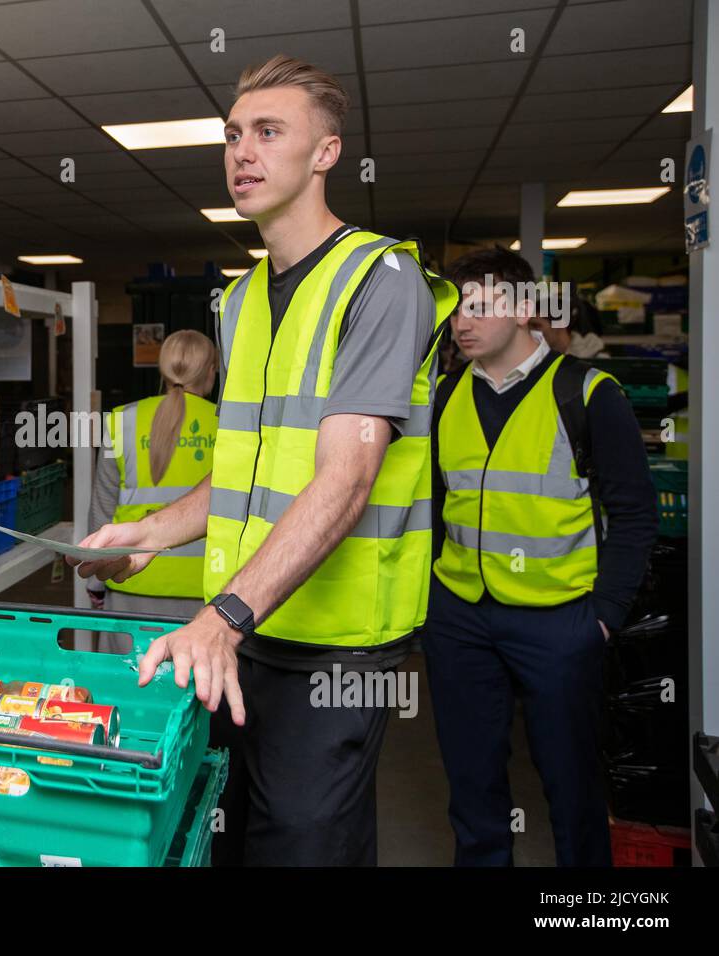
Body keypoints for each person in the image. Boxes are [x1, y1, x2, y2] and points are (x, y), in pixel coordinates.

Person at [67, 54, 458, 866]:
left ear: (325, 154)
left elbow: (346, 479)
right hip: (247, 633)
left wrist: (224, 615)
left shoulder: (379, 280)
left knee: (304, 848)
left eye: (269, 133)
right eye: (233, 135)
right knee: (228, 836)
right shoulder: (241, 299)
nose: (243, 152)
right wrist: (150, 532)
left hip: (333, 645)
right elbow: (243, 474)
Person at [424, 247, 658, 866]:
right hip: (462, 621)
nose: (462, 322)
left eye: (480, 306)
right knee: (473, 791)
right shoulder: (444, 397)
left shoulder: (588, 394)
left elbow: (635, 515)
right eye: (456, 310)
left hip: (561, 621)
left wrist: (603, 616)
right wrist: (433, 602)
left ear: (526, 308)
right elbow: (433, 507)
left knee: (573, 787)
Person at [85, 330, 219, 622]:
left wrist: (96, 582)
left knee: (128, 669)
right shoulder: (231, 423)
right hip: (211, 591)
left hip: (130, 579)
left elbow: (102, 511)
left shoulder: (120, 421)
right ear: (212, 370)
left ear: (163, 368)